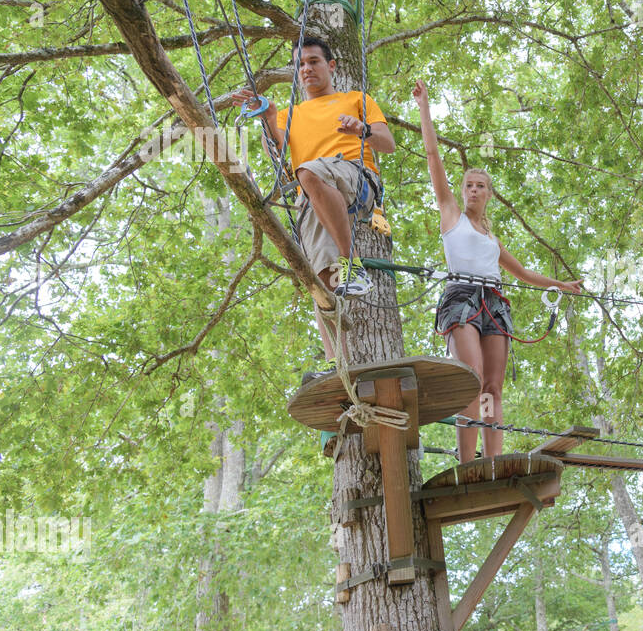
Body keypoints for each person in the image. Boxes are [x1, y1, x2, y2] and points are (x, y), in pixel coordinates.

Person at [413, 79, 582, 463]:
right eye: (468, 185)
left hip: (494, 302)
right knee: (470, 380)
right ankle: (468, 462)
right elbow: (432, 156)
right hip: (462, 300)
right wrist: (425, 108)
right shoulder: (451, 215)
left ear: (489, 194)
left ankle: (492, 461)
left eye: (480, 186)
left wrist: (560, 284)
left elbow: (521, 272)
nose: (473, 190)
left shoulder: (490, 236)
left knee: (492, 387)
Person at [231, 36, 396, 369]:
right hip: (313, 194)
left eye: (314, 61)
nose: (306, 69)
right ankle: (339, 365)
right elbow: (279, 160)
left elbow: (387, 143)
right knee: (320, 278)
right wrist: (268, 115)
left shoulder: (356, 99)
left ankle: (351, 263)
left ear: (331, 66)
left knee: (309, 171)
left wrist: (361, 129)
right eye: (300, 64)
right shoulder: (289, 114)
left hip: (355, 175)